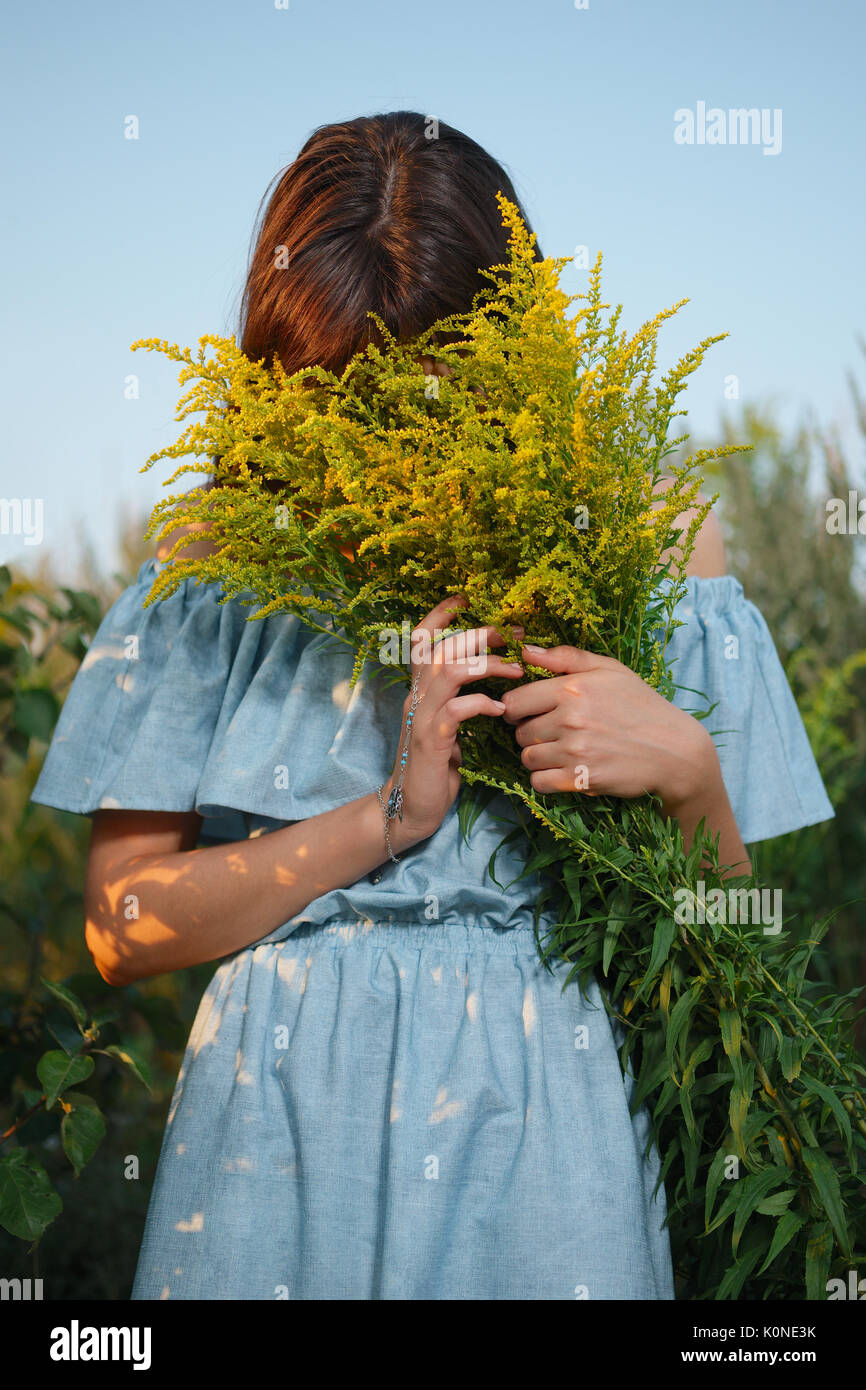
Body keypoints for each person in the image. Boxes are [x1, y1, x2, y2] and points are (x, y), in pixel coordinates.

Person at [31, 111, 834, 1301]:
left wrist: (686, 771)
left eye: (437, 390)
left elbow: (743, 945)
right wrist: (384, 822)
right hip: (276, 1137)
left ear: (514, 343)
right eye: (344, 401)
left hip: (550, 1143)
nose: (394, 447)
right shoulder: (211, 561)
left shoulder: (656, 539)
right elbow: (122, 925)